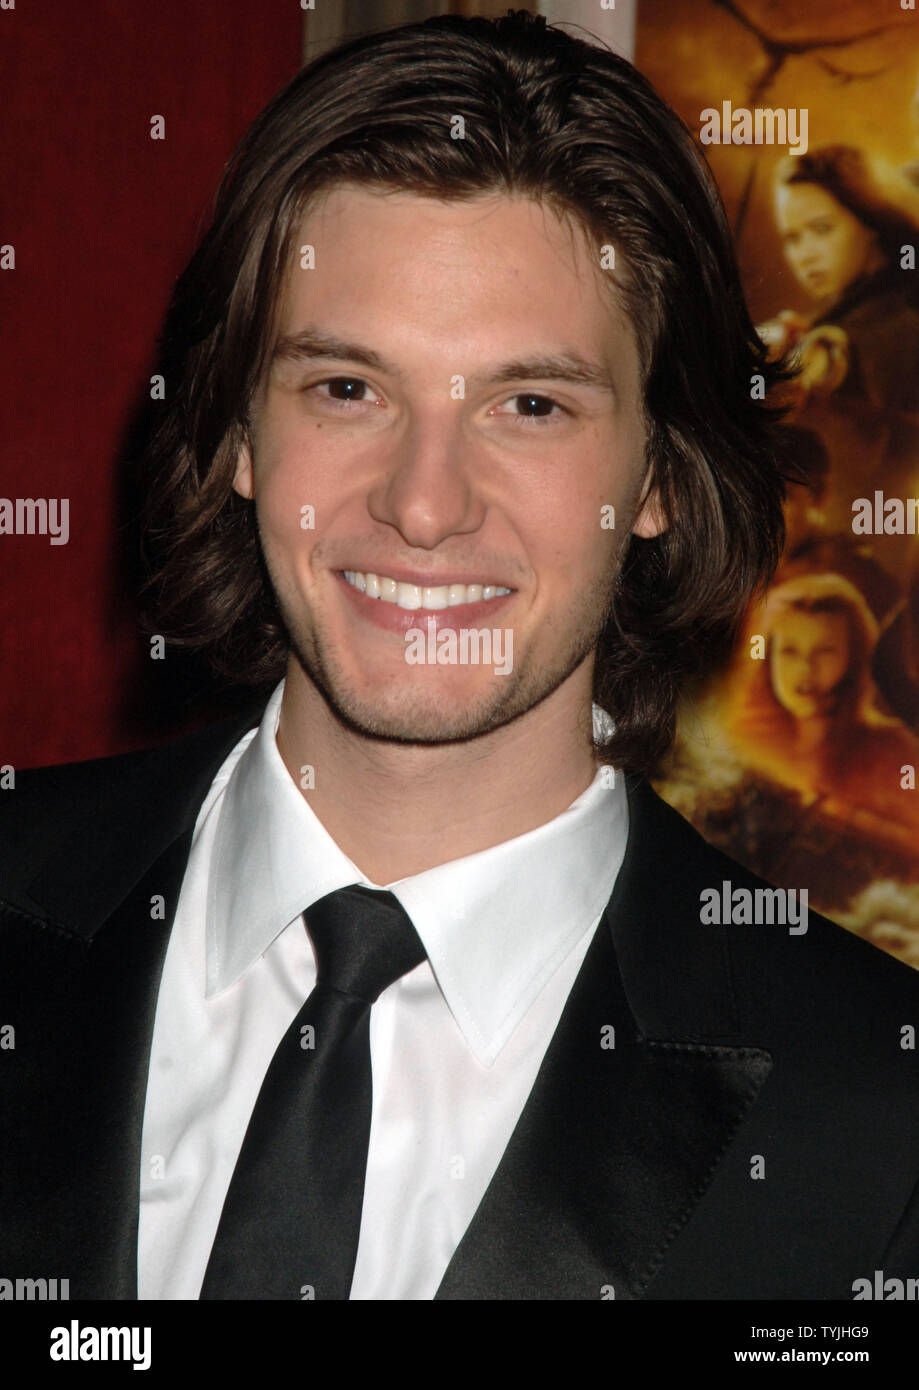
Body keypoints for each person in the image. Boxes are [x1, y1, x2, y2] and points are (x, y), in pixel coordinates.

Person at [1, 10, 918, 1303]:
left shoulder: (880, 1122)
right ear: (238, 434)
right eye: (346, 390)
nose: (424, 504)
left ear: (658, 471)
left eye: (529, 405)